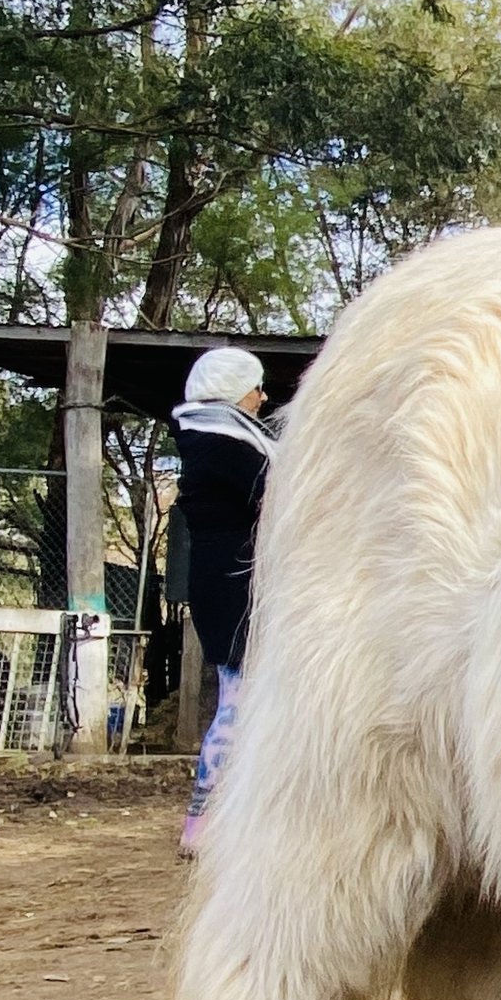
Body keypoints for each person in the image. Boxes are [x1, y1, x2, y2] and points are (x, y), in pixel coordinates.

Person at [172, 347, 276, 855]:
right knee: (239, 697)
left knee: (243, 696)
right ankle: (203, 823)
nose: (263, 397)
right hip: (236, 587)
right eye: (256, 387)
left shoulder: (212, 435)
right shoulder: (222, 442)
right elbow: (280, 494)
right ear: (234, 390)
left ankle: (224, 819)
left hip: (230, 583)